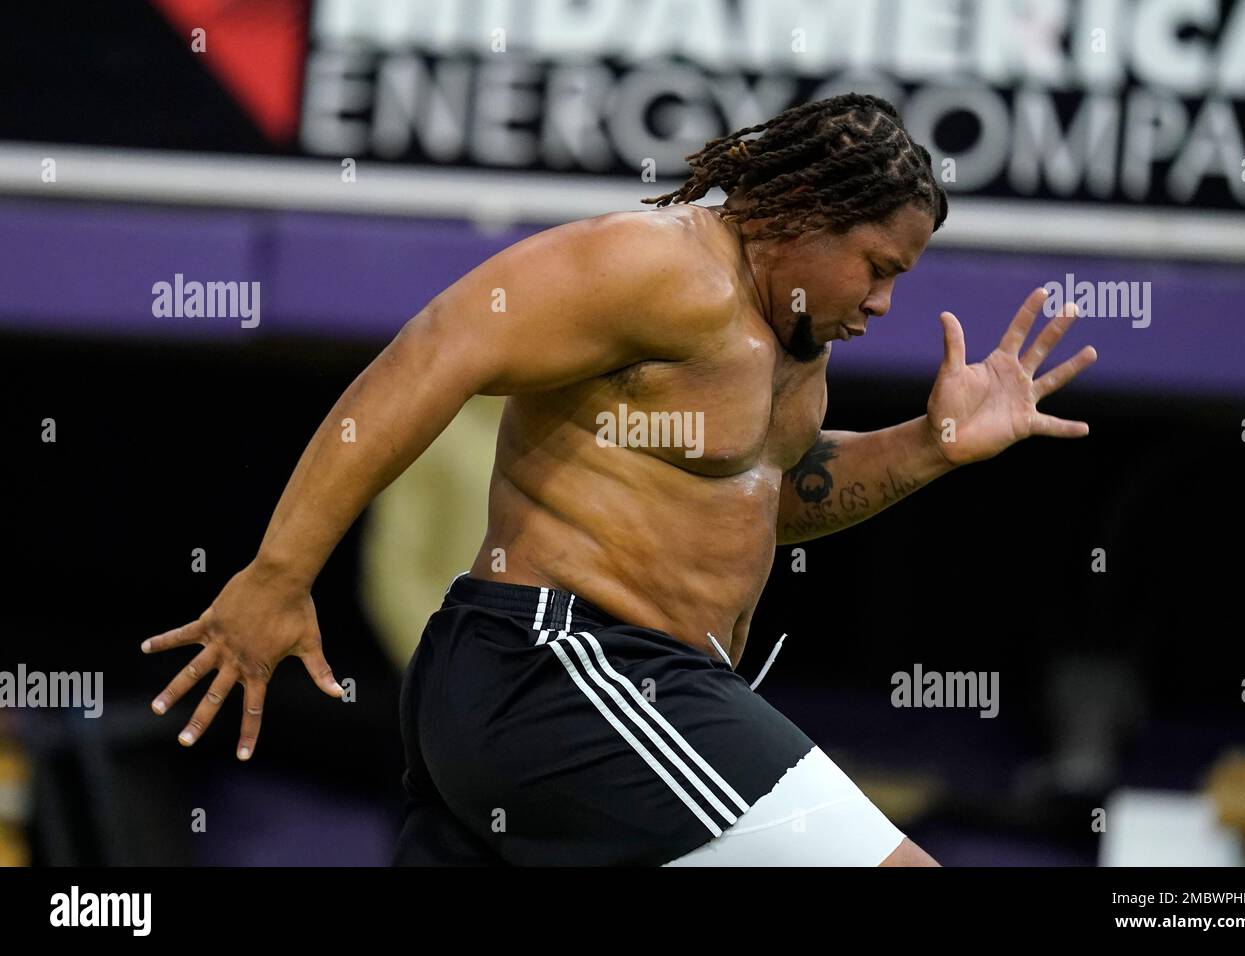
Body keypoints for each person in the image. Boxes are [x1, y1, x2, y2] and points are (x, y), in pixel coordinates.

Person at [140, 93, 1096, 866]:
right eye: (877, 267)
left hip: (575, 697)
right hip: (571, 668)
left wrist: (928, 447)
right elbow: (432, 353)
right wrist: (278, 572)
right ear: (804, 213)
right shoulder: (659, 266)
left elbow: (776, 499)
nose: (884, 303)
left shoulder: (792, 338)